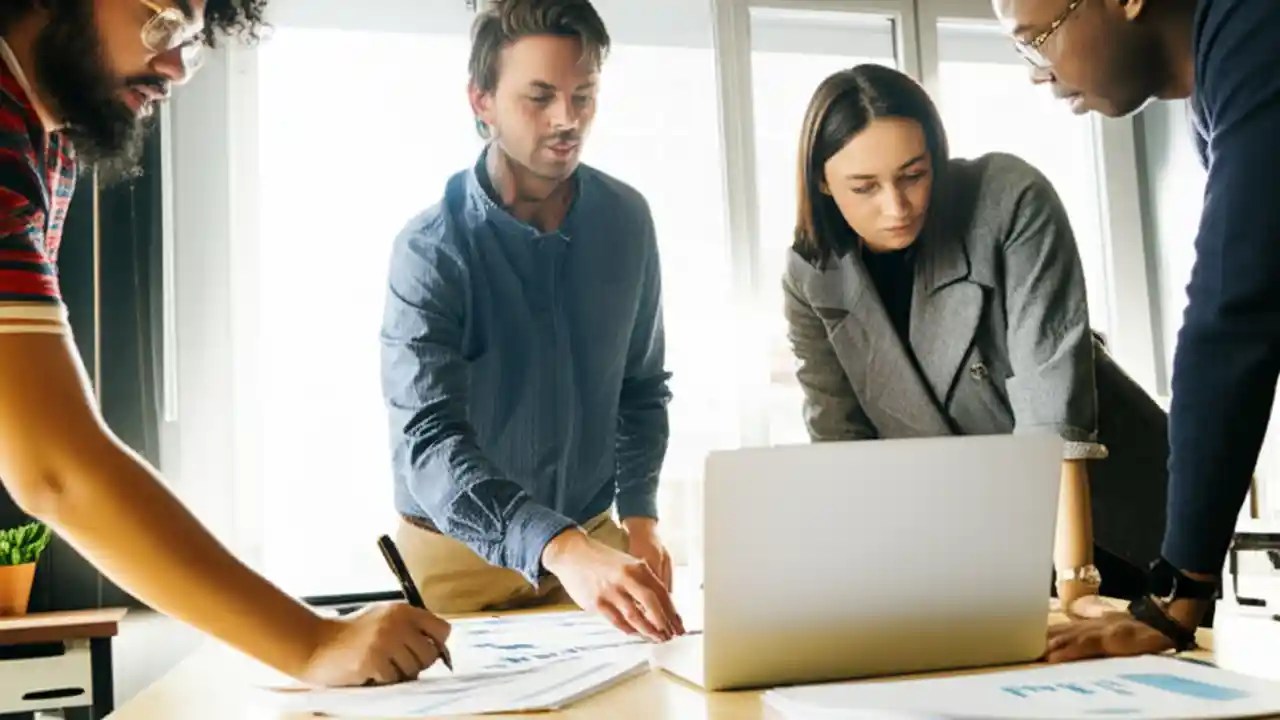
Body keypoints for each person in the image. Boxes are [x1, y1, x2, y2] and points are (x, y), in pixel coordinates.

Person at [0, 0, 450, 687]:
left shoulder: (45, 133)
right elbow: (53, 470)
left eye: (193, 37)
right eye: (166, 20)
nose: (177, 65)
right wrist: (312, 642)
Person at [783, 64, 1169, 613]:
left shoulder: (1008, 198)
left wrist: (1076, 586)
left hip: (1113, 513)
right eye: (864, 187)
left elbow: (1050, 406)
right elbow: (840, 440)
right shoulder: (809, 273)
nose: (896, 206)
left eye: (914, 175)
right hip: (981, 538)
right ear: (823, 182)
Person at [380, 0, 683, 643]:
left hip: (595, 546)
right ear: (481, 100)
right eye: (539, 97)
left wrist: (643, 516)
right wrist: (560, 546)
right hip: (457, 561)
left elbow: (641, 386)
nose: (566, 120)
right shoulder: (429, 250)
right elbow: (429, 442)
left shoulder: (629, 220)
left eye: (584, 95)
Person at [992, 0, 1280, 661]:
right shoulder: (1222, 78)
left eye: (1042, 38)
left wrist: (1178, 595)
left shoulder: (1259, 35)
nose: (1042, 73)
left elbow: (1232, 314)